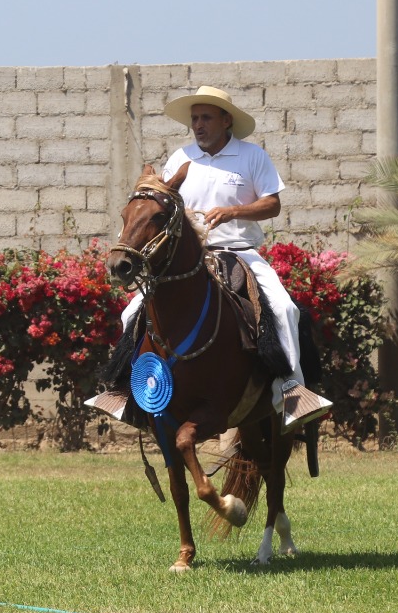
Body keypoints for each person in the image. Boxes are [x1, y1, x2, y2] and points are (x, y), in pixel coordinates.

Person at [120, 85, 332, 431]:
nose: (198, 125)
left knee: (284, 309)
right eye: (194, 119)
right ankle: (125, 391)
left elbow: (272, 204)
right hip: (189, 258)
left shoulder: (252, 156)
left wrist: (234, 212)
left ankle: (292, 393)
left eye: (206, 117)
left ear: (226, 120)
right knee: (131, 311)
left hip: (240, 252)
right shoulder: (180, 158)